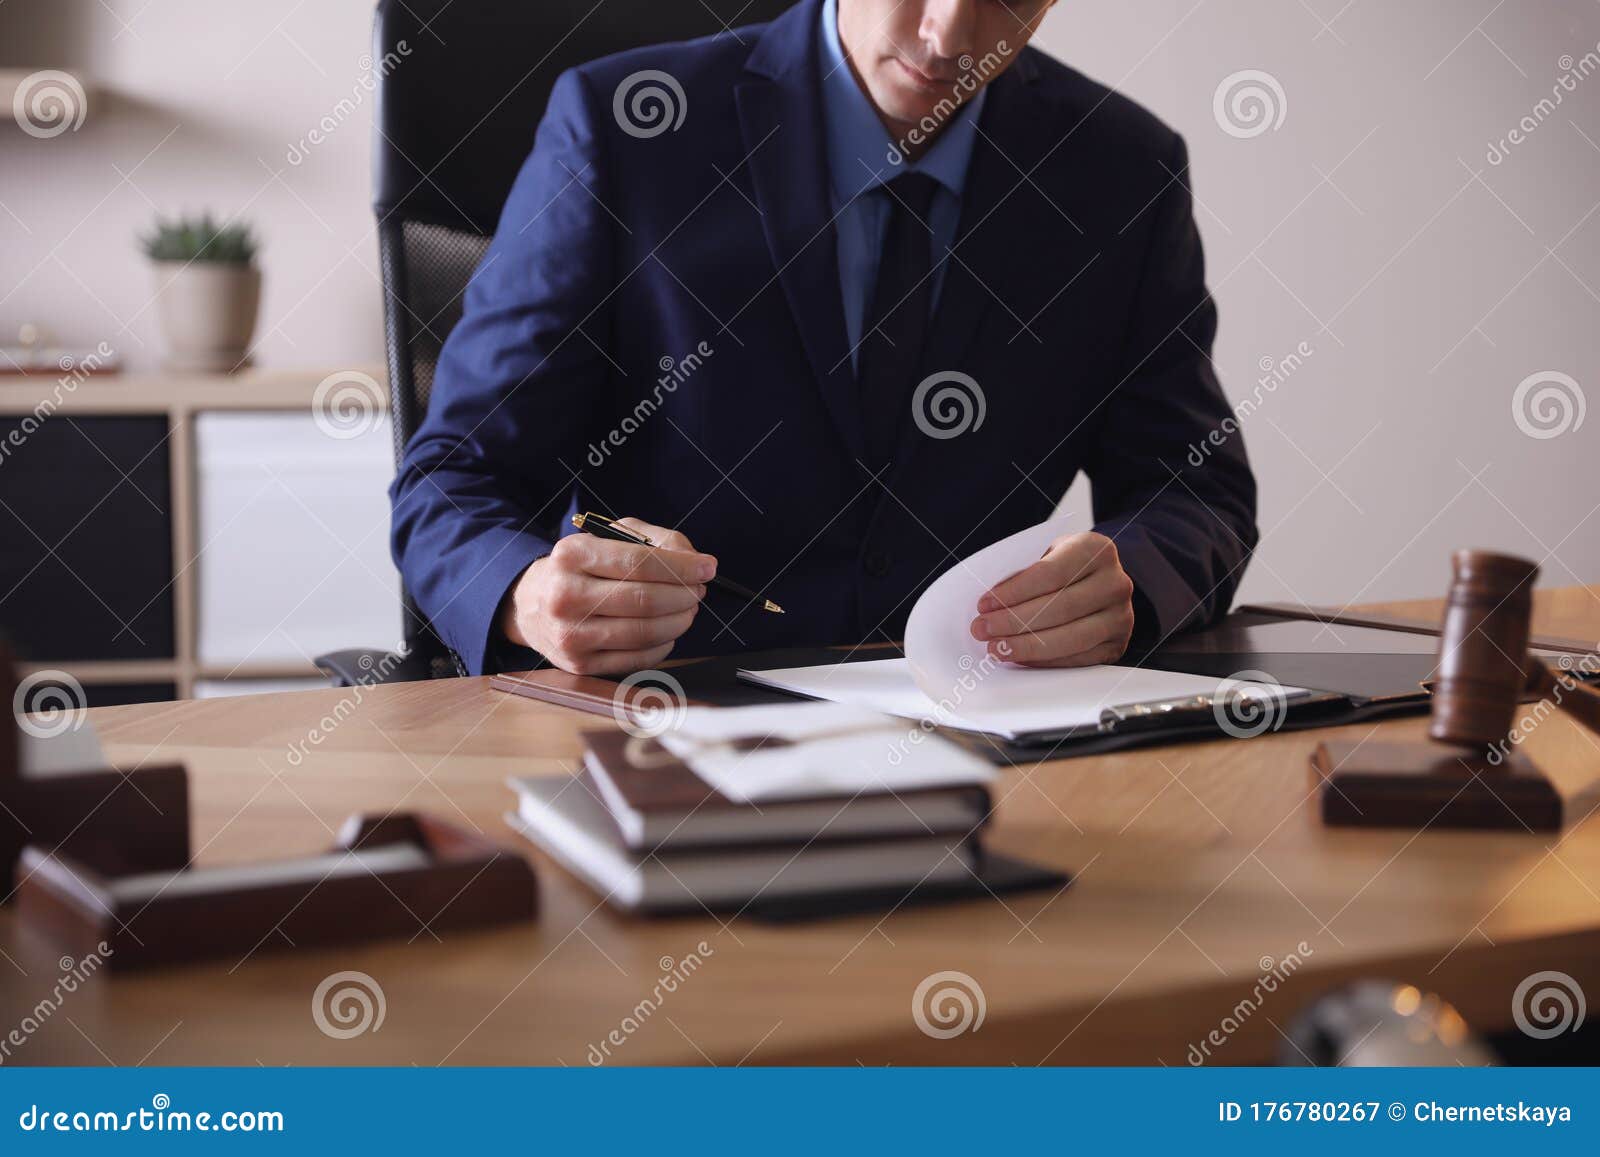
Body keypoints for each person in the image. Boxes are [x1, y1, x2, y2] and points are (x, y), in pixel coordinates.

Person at [390, 0, 1258, 677]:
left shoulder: (1122, 174)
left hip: (988, 735)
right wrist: (527, 593)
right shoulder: (622, 129)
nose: (948, 33)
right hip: (670, 722)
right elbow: (451, 481)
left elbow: (1197, 489)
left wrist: (1131, 583)